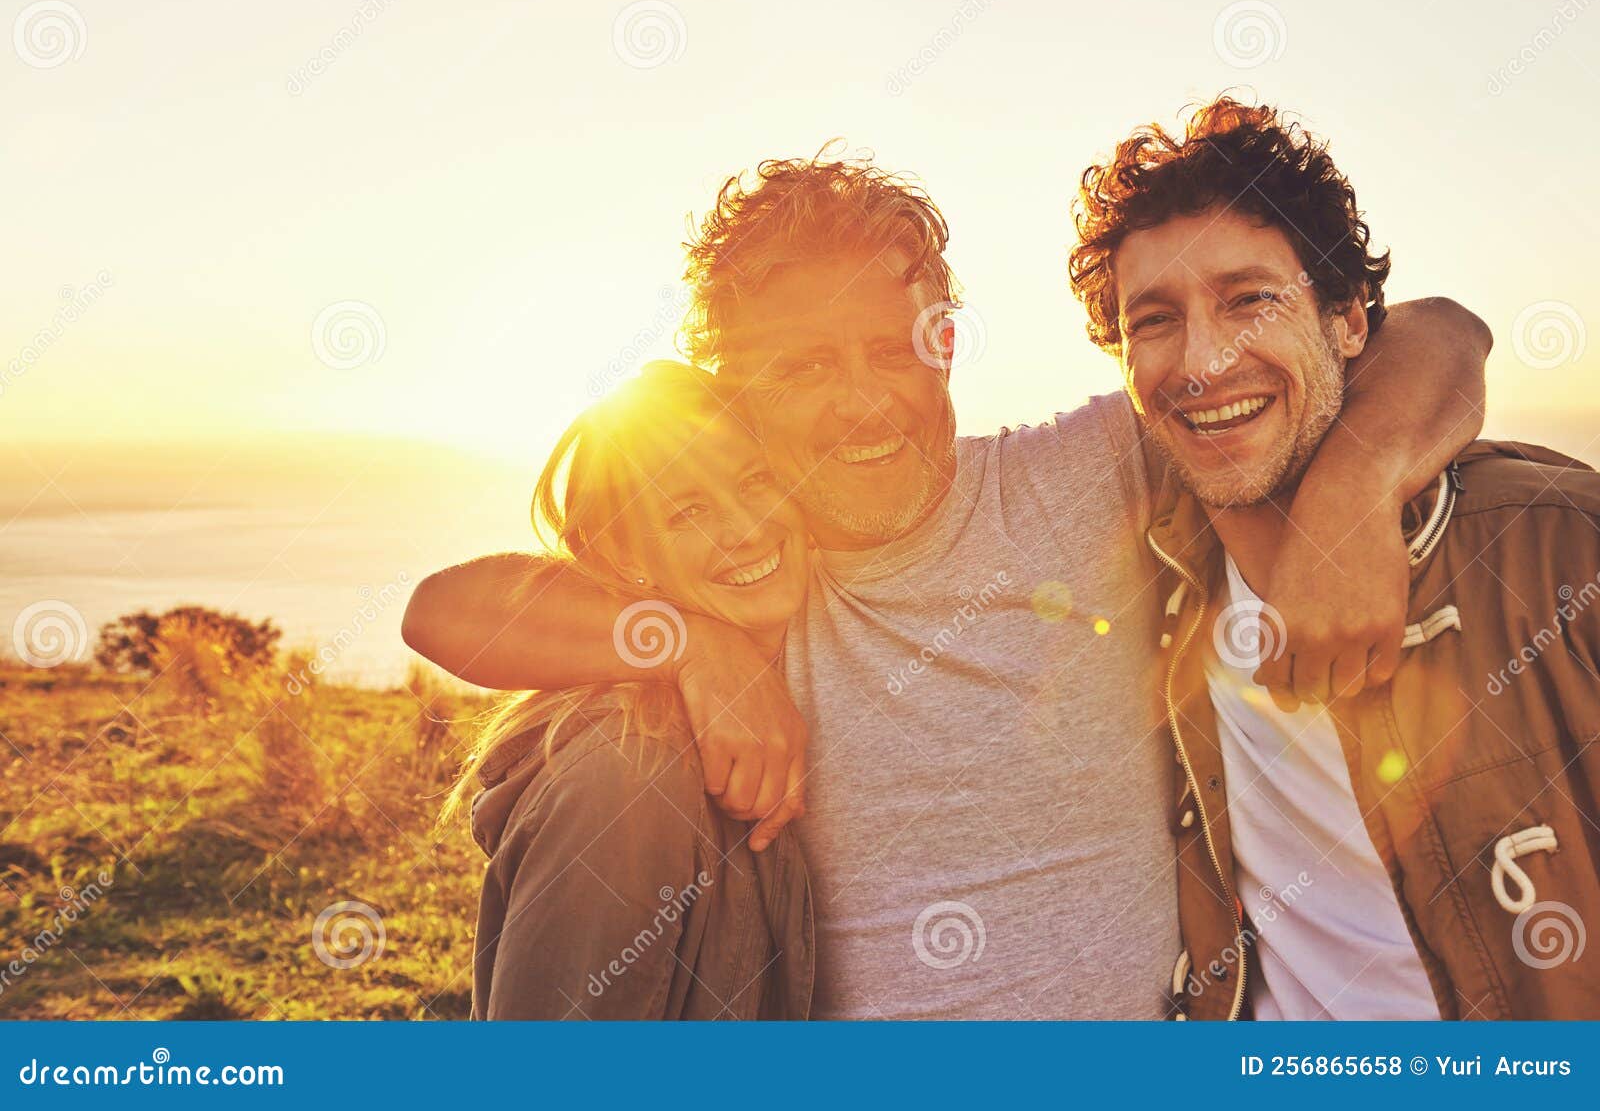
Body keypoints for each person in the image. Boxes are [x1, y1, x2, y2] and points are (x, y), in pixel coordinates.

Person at [405, 145, 1491, 1018]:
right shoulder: (749, 573)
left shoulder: (1085, 471)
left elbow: (1437, 333)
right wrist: (688, 644)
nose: (862, 404)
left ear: (947, 343)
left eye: (892, 352)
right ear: (732, 391)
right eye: (803, 367)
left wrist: (1355, 487)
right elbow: (443, 609)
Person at [1072, 95, 1600, 1019]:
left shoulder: (1553, 552)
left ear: (1350, 322)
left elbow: (1449, 326)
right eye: (1154, 320)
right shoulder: (1151, 575)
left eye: (1249, 300)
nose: (1201, 361)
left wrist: (1353, 496)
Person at [440, 361, 814, 1019]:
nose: (745, 527)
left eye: (756, 480)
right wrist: (696, 644)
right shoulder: (624, 774)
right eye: (687, 510)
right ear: (628, 555)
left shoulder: (807, 648)